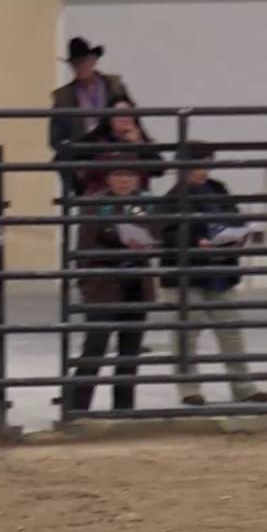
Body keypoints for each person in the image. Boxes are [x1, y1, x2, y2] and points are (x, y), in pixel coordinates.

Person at [158, 142, 267, 406]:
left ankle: (243, 387)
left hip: (220, 270)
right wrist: (197, 241)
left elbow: (235, 218)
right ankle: (189, 388)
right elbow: (167, 234)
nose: (204, 170)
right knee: (187, 333)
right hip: (188, 274)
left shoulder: (219, 190)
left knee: (231, 329)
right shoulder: (173, 198)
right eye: (199, 164)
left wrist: (236, 237)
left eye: (207, 163)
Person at [64, 152, 155, 414]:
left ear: (138, 178)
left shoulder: (147, 205)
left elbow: (158, 236)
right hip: (103, 286)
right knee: (94, 349)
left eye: (129, 174)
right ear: (108, 178)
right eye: (118, 174)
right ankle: (77, 410)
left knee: (130, 354)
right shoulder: (95, 205)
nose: (124, 181)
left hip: (136, 284)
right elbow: (84, 248)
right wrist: (117, 243)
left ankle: (124, 411)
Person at [49, 37, 133, 155]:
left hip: (115, 149)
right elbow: (55, 138)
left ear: (93, 61)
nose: (81, 67)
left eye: (84, 61)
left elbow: (133, 118)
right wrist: (72, 152)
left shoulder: (114, 87)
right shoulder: (63, 98)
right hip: (82, 154)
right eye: (76, 64)